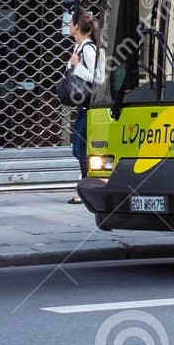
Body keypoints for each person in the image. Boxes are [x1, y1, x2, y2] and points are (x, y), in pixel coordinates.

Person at [61, 11, 103, 205]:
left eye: (70, 23)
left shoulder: (88, 49)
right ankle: (87, 187)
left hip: (90, 106)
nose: (68, 26)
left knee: (81, 150)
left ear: (78, 27)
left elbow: (99, 78)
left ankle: (86, 189)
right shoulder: (78, 47)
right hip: (82, 106)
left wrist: (77, 66)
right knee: (80, 149)